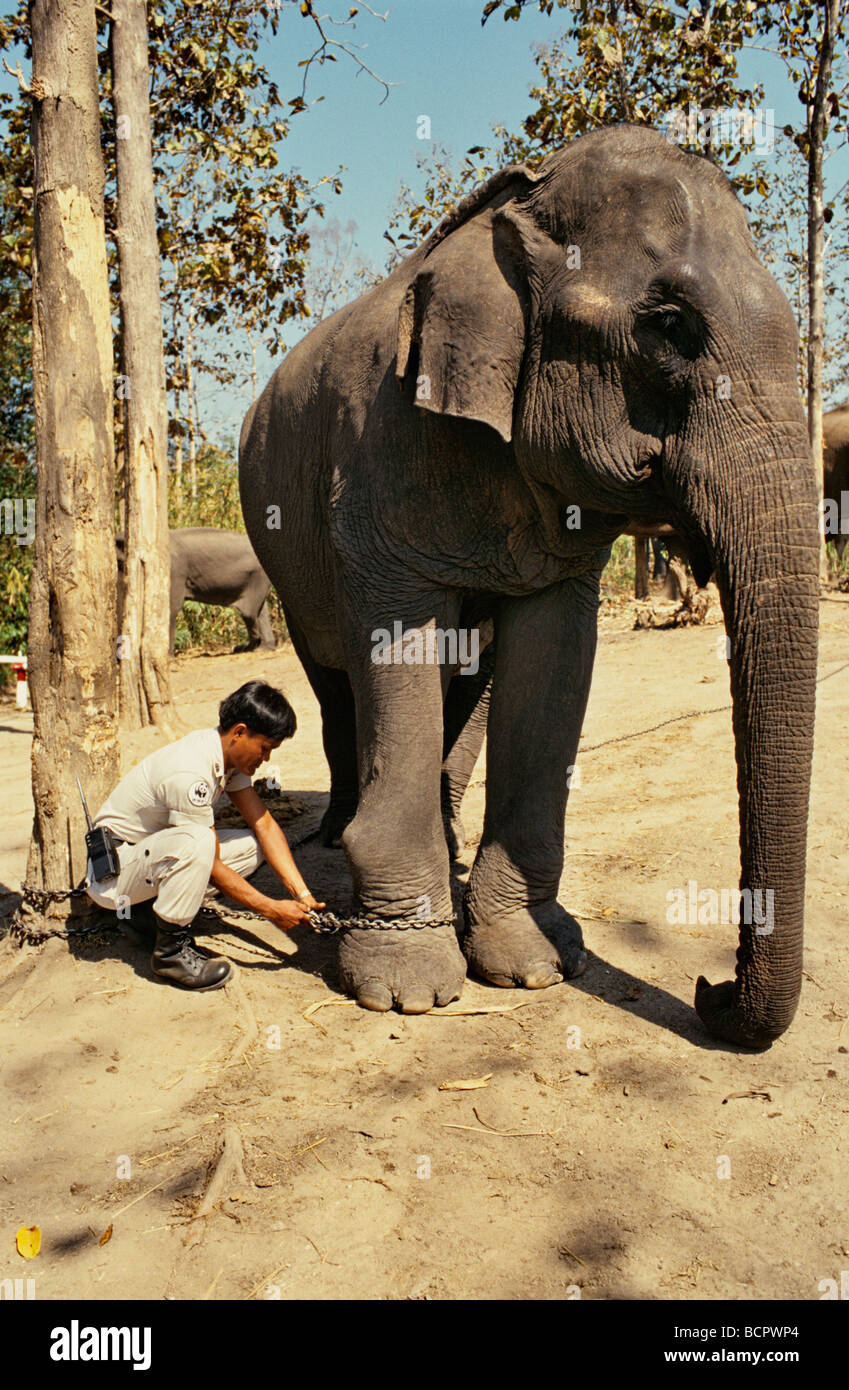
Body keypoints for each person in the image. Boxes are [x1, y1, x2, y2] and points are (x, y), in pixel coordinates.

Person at [85, 681, 325, 991]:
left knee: (253, 846)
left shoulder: (228, 757)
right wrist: (270, 909)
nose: (265, 759)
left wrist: (302, 895)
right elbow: (209, 861)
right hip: (113, 875)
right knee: (199, 843)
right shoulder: (190, 773)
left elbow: (264, 824)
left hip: (147, 858)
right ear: (239, 732)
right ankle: (170, 954)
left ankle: (146, 914)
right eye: (264, 748)